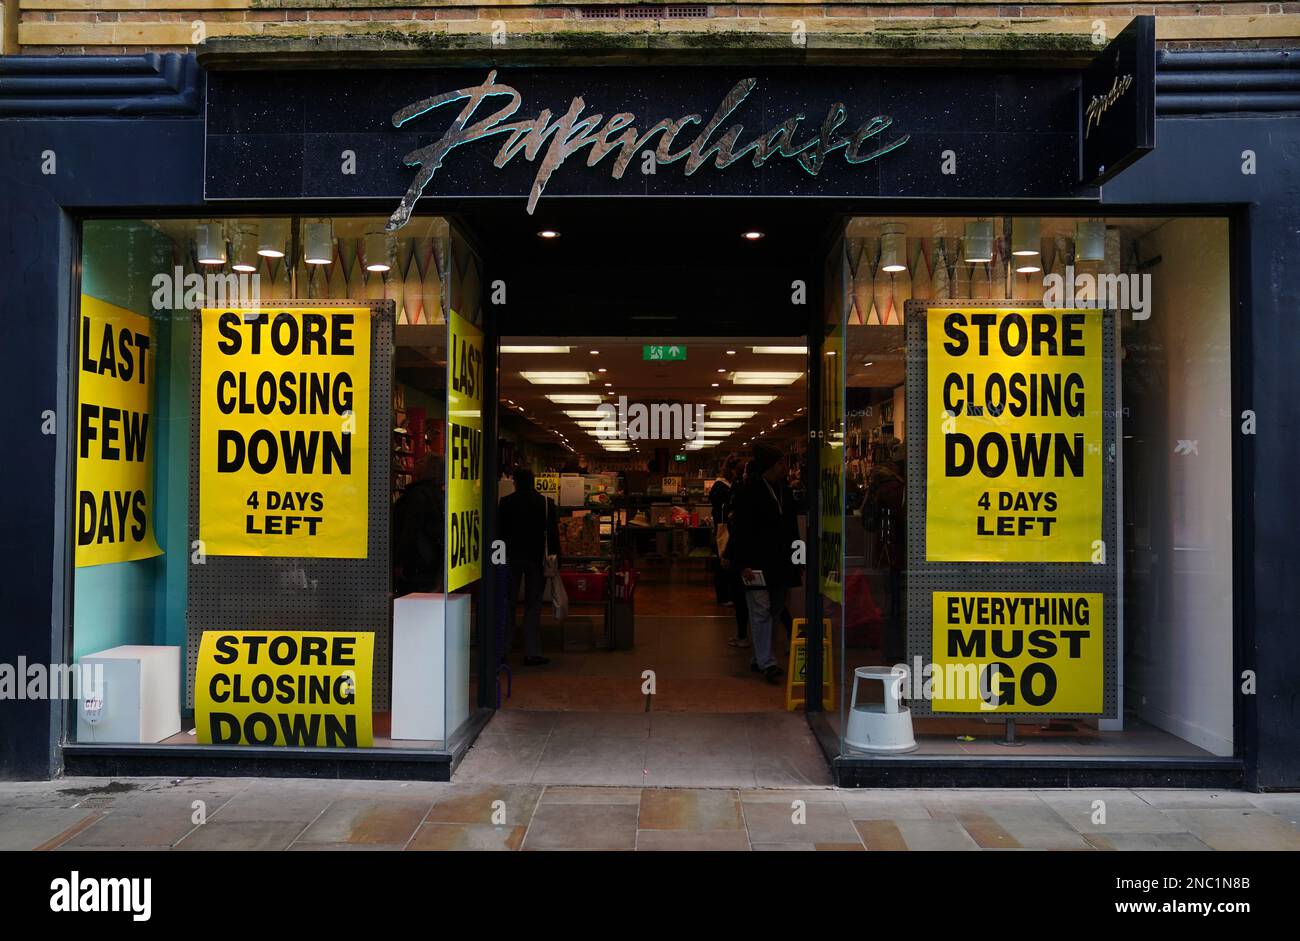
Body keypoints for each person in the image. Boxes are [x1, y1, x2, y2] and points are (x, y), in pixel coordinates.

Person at [725, 443, 803, 682]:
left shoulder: (784, 491)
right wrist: (742, 563)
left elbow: (792, 528)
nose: (786, 467)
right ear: (772, 465)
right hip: (755, 563)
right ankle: (767, 662)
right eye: (782, 463)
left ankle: (760, 658)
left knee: (775, 609)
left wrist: (798, 557)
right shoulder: (748, 491)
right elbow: (739, 530)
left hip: (780, 563)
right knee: (760, 611)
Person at [497, 467, 561, 666]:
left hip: (511, 558)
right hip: (536, 559)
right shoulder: (546, 504)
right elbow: (552, 535)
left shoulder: (506, 503)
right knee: (533, 606)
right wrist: (558, 560)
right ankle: (531, 652)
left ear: (515, 482)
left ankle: (503, 649)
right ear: (534, 482)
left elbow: (499, 533)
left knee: (508, 604)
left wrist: (496, 560)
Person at [392, 454, 444, 596]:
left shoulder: (417, 496)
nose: (416, 463)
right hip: (429, 564)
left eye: (421, 462)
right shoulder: (437, 495)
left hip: (415, 565)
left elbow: (409, 532)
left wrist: (399, 561)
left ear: (428, 469)